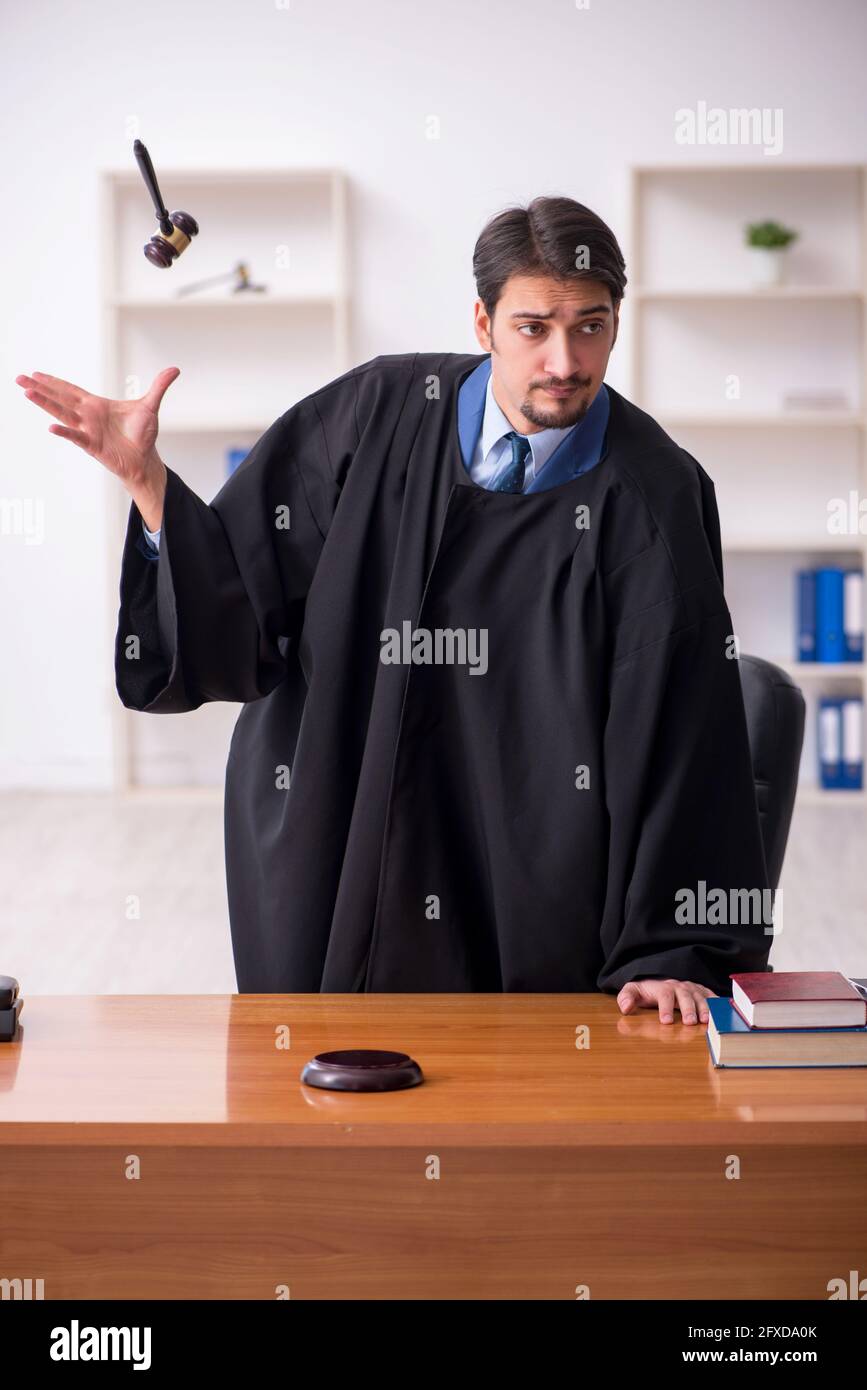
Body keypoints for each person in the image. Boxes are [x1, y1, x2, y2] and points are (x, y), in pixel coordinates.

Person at [15, 195, 773, 1022]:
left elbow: (683, 730)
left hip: (532, 866)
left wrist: (670, 947)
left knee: (515, 1108)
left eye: (589, 326)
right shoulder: (375, 412)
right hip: (344, 819)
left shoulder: (655, 494)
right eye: (533, 327)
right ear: (482, 321)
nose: (564, 359)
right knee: (316, 1102)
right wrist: (150, 484)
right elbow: (240, 588)